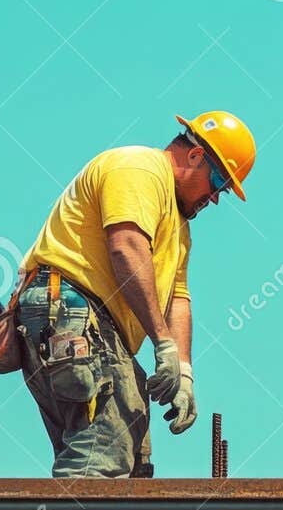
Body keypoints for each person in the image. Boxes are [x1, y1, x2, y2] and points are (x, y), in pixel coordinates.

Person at [15, 111, 255, 477]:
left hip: (87, 324)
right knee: (99, 458)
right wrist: (162, 342)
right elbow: (126, 248)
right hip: (73, 313)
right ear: (194, 156)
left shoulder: (178, 226)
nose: (216, 197)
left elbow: (177, 296)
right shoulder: (139, 169)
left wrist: (184, 370)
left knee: (128, 446)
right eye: (219, 181)